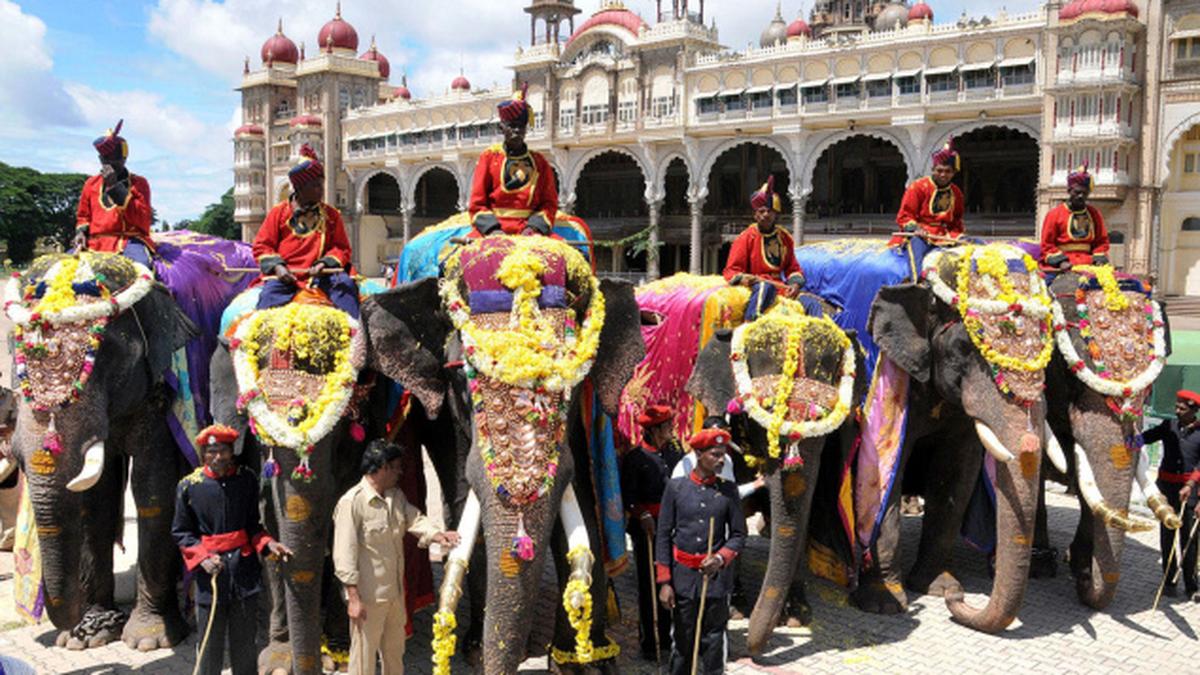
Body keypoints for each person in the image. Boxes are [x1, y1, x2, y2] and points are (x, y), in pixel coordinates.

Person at [172, 424, 293, 675]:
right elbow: (181, 532)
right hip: (211, 578)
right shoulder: (189, 486)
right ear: (203, 453)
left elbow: (253, 526)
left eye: (223, 451)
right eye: (211, 451)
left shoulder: (246, 480)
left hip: (243, 573)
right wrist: (203, 558)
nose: (217, 457)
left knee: (245, 644)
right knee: (209, 646)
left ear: (232, 452)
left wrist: (268, 544)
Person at [333, 440, 461, 675]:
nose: (400, 472)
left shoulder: (395, 496)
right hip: (368, 599)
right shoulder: (352, 503)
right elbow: (344, 555)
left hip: (394, 595)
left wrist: (438, 535)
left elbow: (414, 519)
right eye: (396, 467)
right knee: (363, 662)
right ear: (381, 468)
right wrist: (353, 599)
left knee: (394, 657)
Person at [656, 426, 748, 675]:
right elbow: (663, 535)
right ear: (698, 453)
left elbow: (739, 536)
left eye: (723, 455)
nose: (721, 460)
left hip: (715, 581)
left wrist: (720, 558)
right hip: (683, 578)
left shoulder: (728, 491)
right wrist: (665, 582)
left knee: (714, 641)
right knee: (683, 643)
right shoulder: (676, 488)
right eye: (715, 454)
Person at [252, 143, 359, 317]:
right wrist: (279, 268)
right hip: (286, 276)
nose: (321, 191)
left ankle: (358, 338)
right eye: (315, 186)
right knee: (267, 300)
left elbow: (342, 248)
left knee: (346, 288)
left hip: (324, 275)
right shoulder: (278, 213)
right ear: (299, 189)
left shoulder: (332, 214)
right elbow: (262, 246)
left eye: (321, 185)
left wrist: (323, 263)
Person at [621, 403, 684, 661]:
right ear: (654, 430)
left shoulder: (674, 453)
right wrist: (641, 514)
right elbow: (628, 497)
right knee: (651, 585)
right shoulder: (635, 459)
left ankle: (675, 635)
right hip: (648, 530)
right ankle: (652, 641)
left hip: (674, 528)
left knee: (676, 582)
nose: (671, 429)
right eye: (667, 426)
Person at [467, 81, 558, 237]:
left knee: (569, 256)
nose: (517, 131)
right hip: (491, 230)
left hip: (530, 231)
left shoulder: (539, 162)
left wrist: (532, 228)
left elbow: (549, 203)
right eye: (512, 125)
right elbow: (477, 203)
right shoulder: (489, 157)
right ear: (502, 127)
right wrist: (493, 230)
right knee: (458, 258)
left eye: (521, 126)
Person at [1143, 390, 1200, 602]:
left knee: (1189, 540)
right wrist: (1132, 441)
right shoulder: (1169, 426)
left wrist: (1192, 487)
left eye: (1182, 408)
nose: (1177, 411)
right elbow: (1148, 437)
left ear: (1193, 410)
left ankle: (1192, 585)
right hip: (1166, 490)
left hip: (1189, 493)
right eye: (1176, 406)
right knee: (1167, 536)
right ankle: (1169, 581)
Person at [74, 119, 155, 268]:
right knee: (62, 270)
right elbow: (83, 217)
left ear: (124, 159)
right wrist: (81, 234)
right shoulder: (90, 184)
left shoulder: (139, 183)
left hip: (128, 242)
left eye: (114, 160)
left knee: (141, 268)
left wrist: (114, 186)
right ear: (100, 159)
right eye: (105, 160)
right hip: (94, 243)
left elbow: (142, 220)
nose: (109, 165)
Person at [723, 176, 805, 298]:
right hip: (755, 288)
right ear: (755, 215)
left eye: (770, 211)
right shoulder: (745, 238)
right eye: (761, 211)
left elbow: (792, 268)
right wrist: (743, 278)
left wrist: (795, 285)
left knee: (811, 303)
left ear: (776, 214)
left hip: (781, 288)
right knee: (765, 289)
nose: (766, 215)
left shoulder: (784, 238)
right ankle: (751, 317)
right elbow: (731, 271)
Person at [892, 139, 965, 244]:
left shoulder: (956, 192)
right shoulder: (918, 187)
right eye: (939, 170)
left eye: (948, 171)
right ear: (933, 170)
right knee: (917, 255)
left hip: (946, 235)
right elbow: (905, 216)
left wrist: (958, 235)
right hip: (921, 234)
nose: (943, 175)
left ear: (953, 173)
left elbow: (957, 220)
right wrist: (916, 229)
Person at [1039, 164, 1111, 271]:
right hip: (1063, 263)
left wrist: (1098, 259)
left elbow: (1101, 241)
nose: (1081, 196)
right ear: (1069, 191)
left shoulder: (1094, 213)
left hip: (1090, 263)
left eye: (1084, 193)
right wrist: (1061, 262)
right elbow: (1047, 244)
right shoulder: (1054, 214)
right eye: (1077, 192)